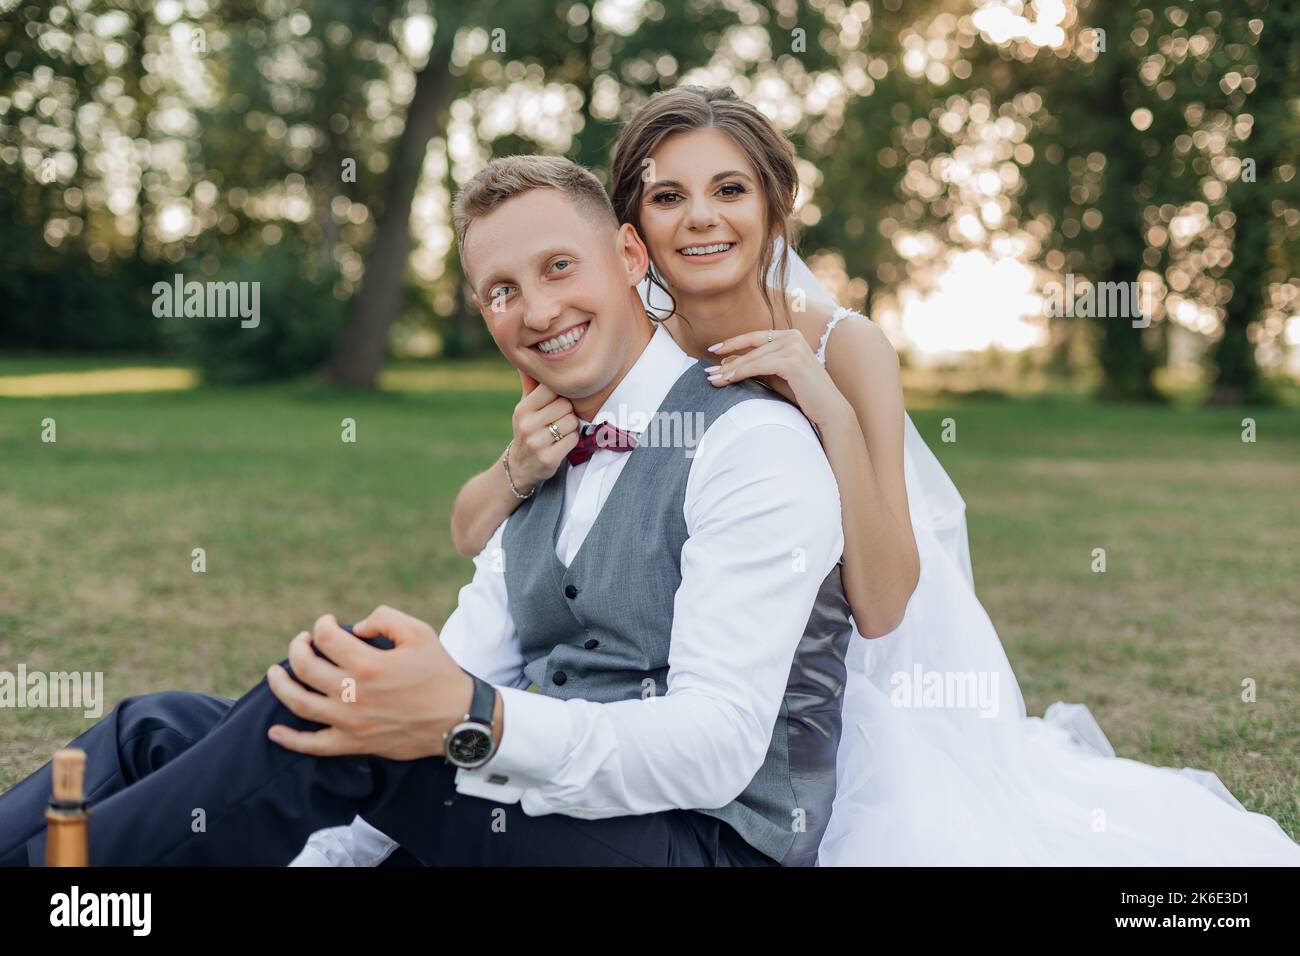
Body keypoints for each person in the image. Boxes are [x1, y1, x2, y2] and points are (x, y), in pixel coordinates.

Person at [446, 86, 1300, 865]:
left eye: (730, 190)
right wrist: (514, 468)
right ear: (632, 230)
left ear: (775, 207)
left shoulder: (842, 347)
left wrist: (831, 413)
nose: (701, 219)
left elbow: (885, 604)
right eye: (669, 196)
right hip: (676, 670)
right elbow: (482, 535)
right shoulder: (607, 342)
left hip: (826, 691)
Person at [0, 152, 852, 867]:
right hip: (545, 810)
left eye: (560, 266)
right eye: (502, 290)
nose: (540, 310)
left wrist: (474, 718)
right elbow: (459, 663)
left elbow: (717, 749)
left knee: (348, 700)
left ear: (631, 256)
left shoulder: (750, 445)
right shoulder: (540, 453)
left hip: (697, 844)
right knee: (161, 725)